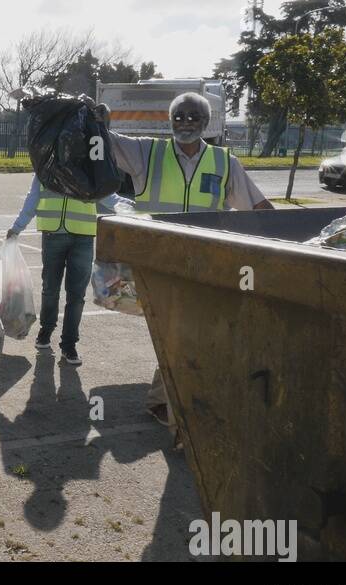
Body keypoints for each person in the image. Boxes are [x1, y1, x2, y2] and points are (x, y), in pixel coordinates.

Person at [96, 92, 274, 439]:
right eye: (179, 116)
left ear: (206, 124)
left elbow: (256, 205)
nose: (185, 123)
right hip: (158, 261)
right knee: (179, 330)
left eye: (193, 117)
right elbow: (108, 141)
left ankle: (163, 399)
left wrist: (286, 235)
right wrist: (98, 120)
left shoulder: (224, 163)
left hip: (204, 263)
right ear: (170, 120)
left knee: (184, 331)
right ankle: (168, 403)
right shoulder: (149, 152)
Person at [6, 177, 132, 366]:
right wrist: (17, 228)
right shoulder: (46, 165)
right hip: (53, 235)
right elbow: (33, 198)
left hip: (83, 237)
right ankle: (46, 332)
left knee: (76, 295)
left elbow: (107, 196)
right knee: (50, 289)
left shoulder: (89, 167)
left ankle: (69, 344)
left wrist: (132, 208)